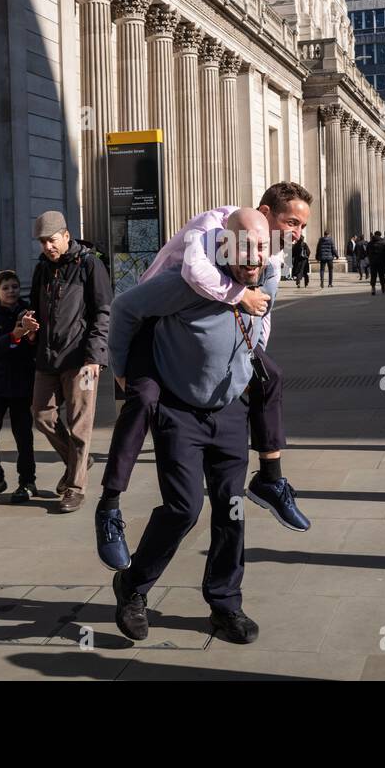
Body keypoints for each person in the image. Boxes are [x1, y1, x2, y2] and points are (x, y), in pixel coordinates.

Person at [93, 183, 313, 572]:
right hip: (154, 323)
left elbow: (265, 315)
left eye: (301, 226)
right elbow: (192, 274)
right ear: (263, 213)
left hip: (223, 398)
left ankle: (270, 479)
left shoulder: (272, 258)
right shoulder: (212, 231)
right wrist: (121, 370)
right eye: (291, 222)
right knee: (143, 399)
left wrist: (250, 357)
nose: (296, 232)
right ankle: (109, 506)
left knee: (270, 376)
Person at [107, 208, 278, 645]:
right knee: (183, 508)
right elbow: (126, 307)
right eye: (244, 249)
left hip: (229, 411)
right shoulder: (187, 282)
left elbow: (261, 328)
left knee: (231, 509)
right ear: (225, 244)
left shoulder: (267, 273)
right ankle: (133, 586)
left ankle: (225, 604)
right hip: (179, 410)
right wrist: (121, 371)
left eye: (261, 248)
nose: (254, 258)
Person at [28, 211, 112, 514]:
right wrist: (26, 321)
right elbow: (33, 307)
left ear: (66, 235)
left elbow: (103, 312)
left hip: (82, 360)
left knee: (80, 424)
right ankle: (78, 461)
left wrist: (95, 357)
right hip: (47, 358)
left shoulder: (90, 265)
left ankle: (76, 488)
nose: (47, 247)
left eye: (51, 240)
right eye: (42, 242)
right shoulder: (42, 269)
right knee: (41, 415)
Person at [0, 270, 39, 506]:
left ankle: (27, 481)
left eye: (14, 286)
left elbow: (37, 348)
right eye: (6, 288)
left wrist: (31, 335)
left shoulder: (29, 314)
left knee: (23, 436)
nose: (11, 291)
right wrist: (14, 335)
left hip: (22, 384)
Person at [367, 230, 385, 295]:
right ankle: (383, 287)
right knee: (381, 275)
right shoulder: (384, 242)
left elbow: (367, 252)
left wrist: (370, 258)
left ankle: (373, 288)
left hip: (373, 262)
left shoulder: (370, 243)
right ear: (380, 235)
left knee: (373, 275)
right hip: (381, 262)